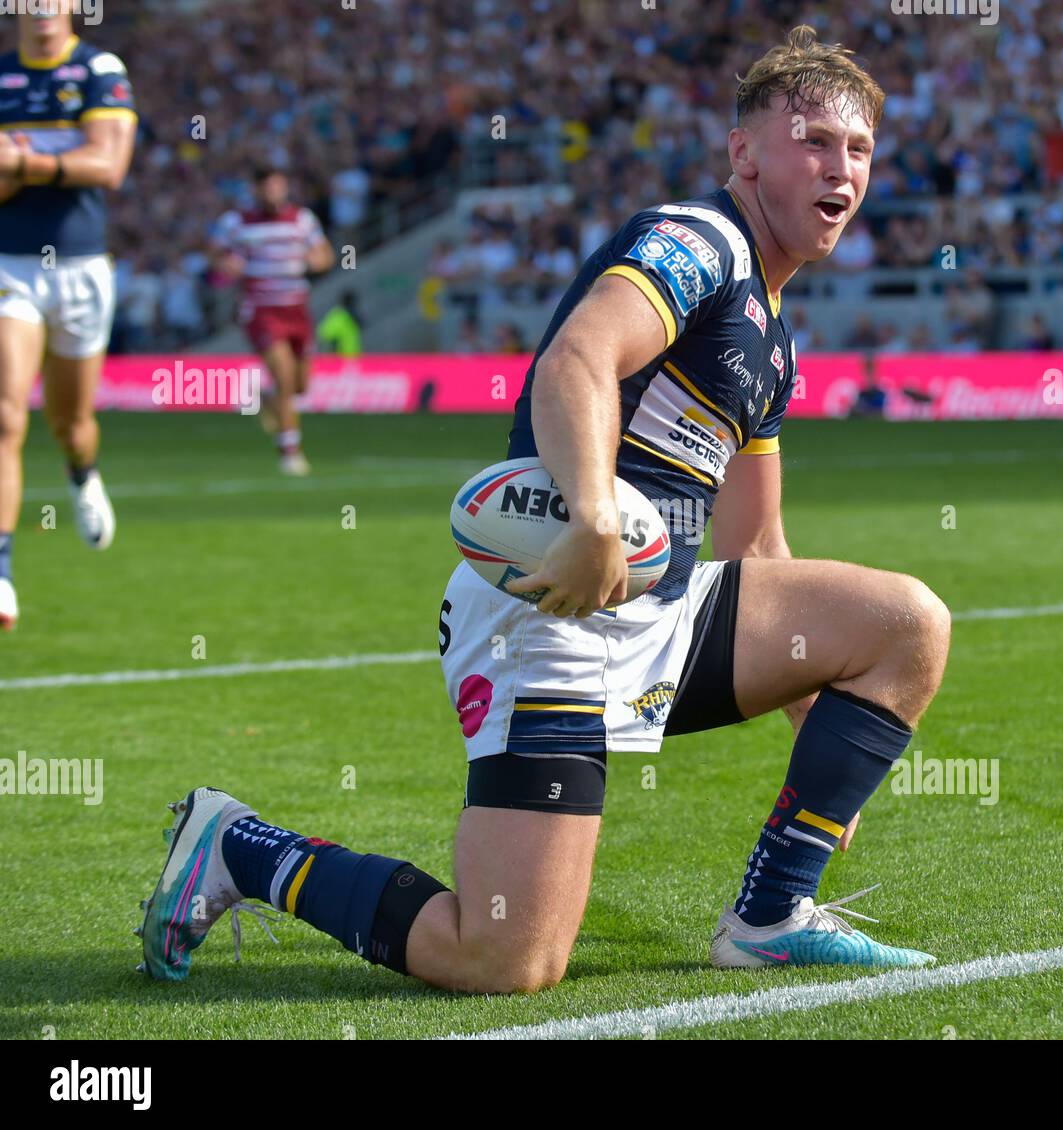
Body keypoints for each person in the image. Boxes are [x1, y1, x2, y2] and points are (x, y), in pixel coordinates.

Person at [139, 26, 950, 991]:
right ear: (744, 153)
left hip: (666, 612)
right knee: (505, 959)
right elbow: (577, 357)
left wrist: (818, 734)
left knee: (908, 624)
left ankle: (770, 916)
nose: (841, 168)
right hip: (551, 606)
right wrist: (596, 515)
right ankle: (237, 848)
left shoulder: (773, 343)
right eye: (814, 139)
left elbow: (759, 546)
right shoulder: (699, 243)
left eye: (858, 150)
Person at [0, 9, 136, 630]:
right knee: (6, 413)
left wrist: (23, 164)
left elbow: (108, 166)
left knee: (70, 420)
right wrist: (55, 162)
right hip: (9, 264)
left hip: (82, 269)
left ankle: (82, 474)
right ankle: (2, 570)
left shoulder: (98, 69)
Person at [210, 166, 334, 475]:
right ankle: (290, 451)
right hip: (261, 309)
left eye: (277, 186)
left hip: (297, 309)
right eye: (266, 187)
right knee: (284, 374)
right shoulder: (237, 223)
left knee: (299, 386)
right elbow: (215, 253)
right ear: (256, 190)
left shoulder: (303, 220)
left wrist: (315, 260)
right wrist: (226, 264)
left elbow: (326, 255)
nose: (272, 192)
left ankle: (266, 400)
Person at [317, 290, 363, 358]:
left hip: (353, 357)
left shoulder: (351, 316)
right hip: (342, 359)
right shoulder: (338, 316)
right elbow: (325, 336)